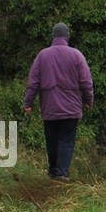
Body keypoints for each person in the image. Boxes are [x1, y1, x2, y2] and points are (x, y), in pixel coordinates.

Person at [23, 23, 94, 181]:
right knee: (66, 140)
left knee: (52, 140)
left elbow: (33, 83)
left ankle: (53, 171)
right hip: (71, 108)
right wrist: (88, 100)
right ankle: (62, 172)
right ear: (67, 37)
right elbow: (86, 82)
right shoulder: (77, 55)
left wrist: (28, 103)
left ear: (53, 37)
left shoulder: (42, 56)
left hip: (50, 108)